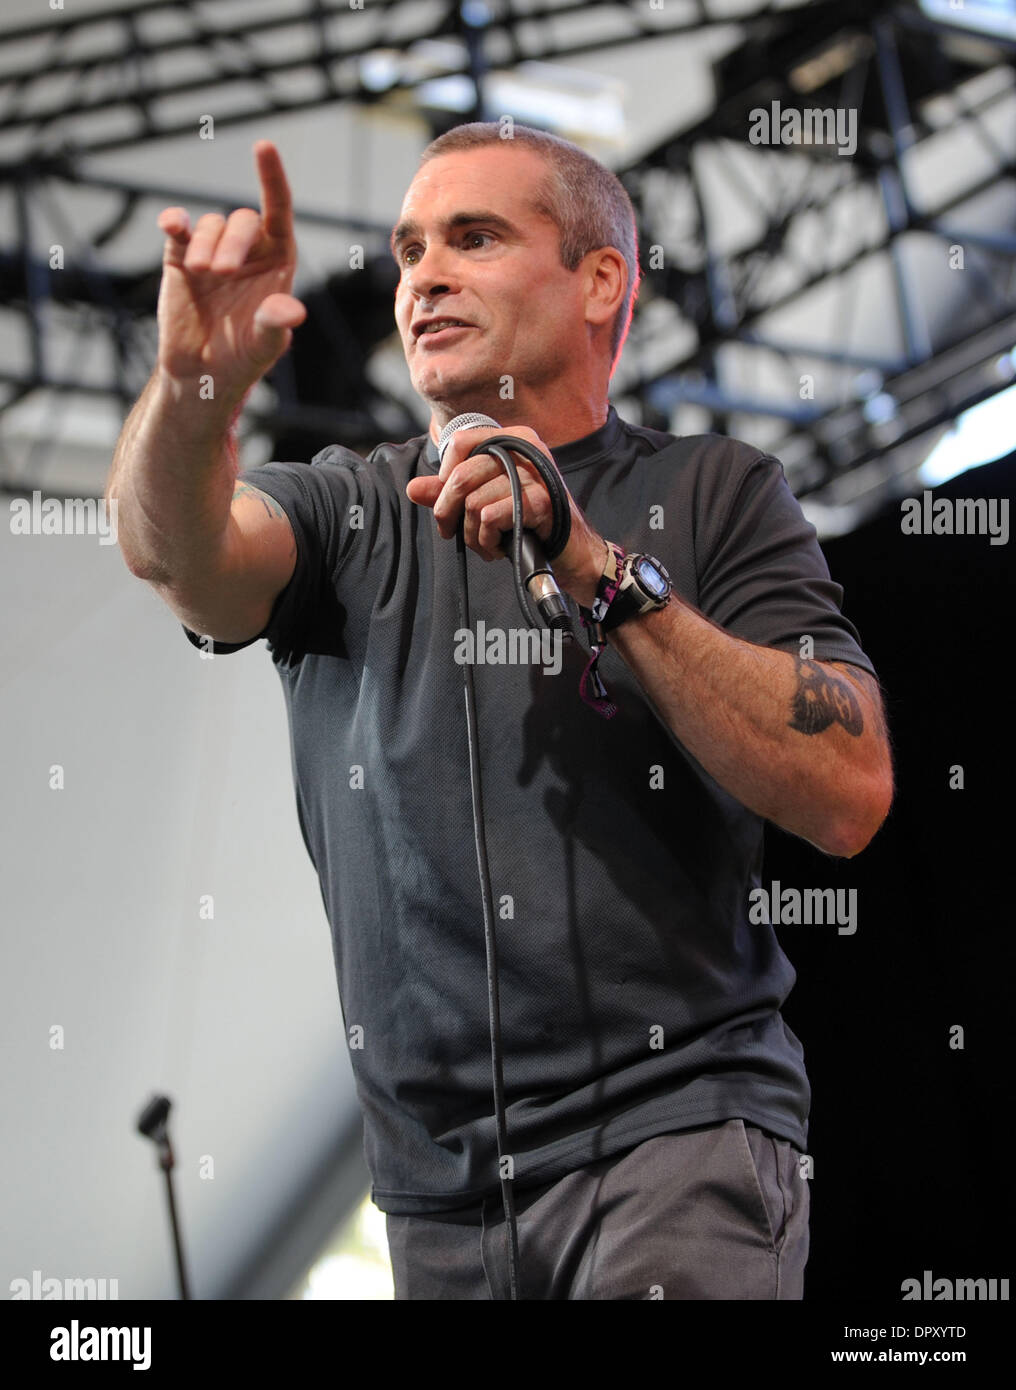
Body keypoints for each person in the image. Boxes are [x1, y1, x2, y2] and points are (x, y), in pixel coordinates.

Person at [105, 122, 894, 1300]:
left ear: (599, 280)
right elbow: (177, 555)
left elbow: (848, 791)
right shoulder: (346, 508)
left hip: (671, 1143)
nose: (423, 273)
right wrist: (190, 385)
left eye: (474, 237)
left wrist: (592, 565)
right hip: (430, 1199)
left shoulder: (716, 491)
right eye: (409, 247)